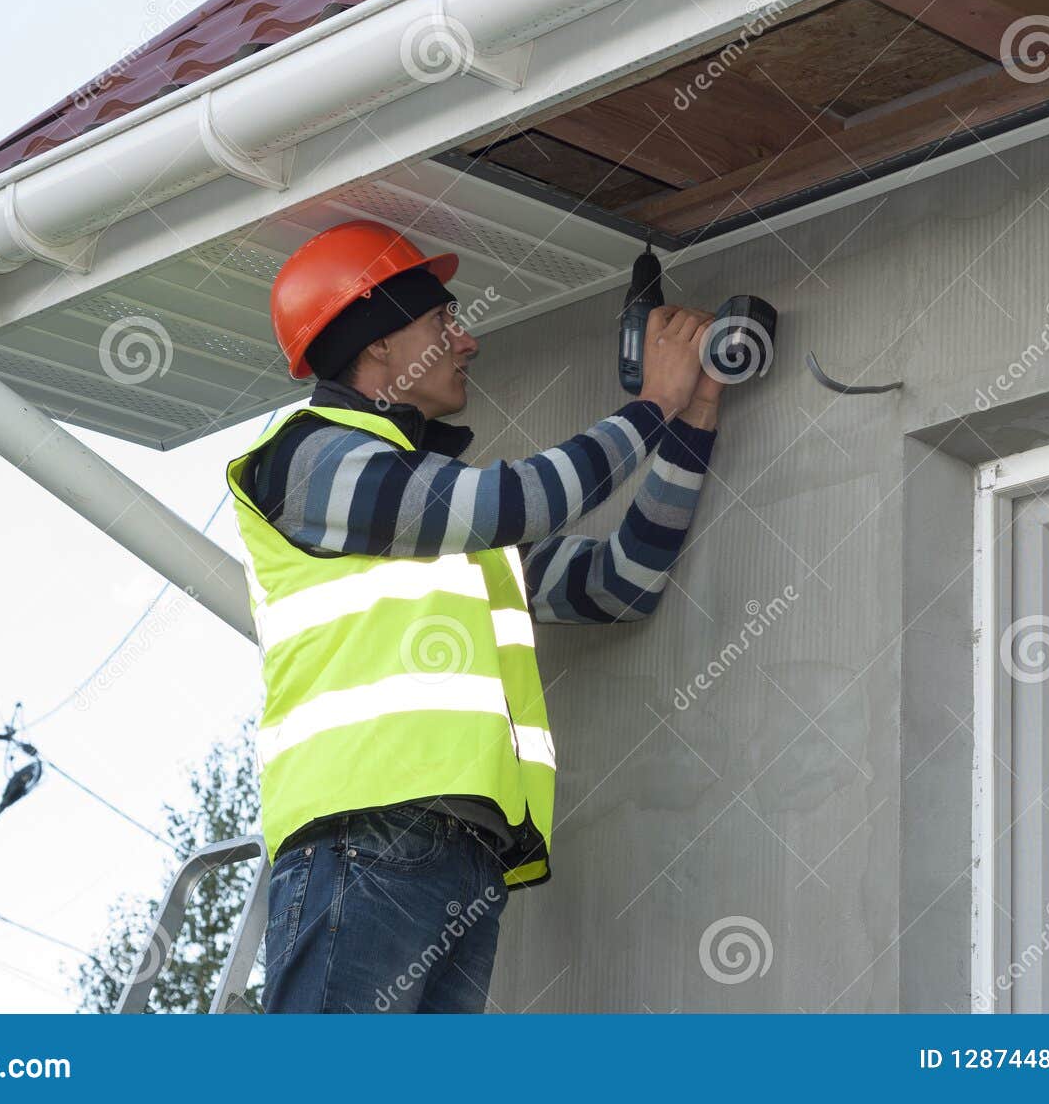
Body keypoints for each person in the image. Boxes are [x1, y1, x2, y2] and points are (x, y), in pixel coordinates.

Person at [226, 219, 723, 1013]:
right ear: (378, 345)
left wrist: (691, 420)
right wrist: (651, 405)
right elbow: (512, 501)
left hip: (463, 857)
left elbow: (621, 581)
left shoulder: (443, 529)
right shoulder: (306, 459)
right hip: (365, 837)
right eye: (441, 321)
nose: (467, 340)